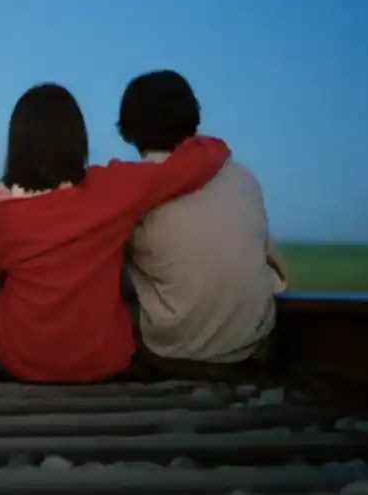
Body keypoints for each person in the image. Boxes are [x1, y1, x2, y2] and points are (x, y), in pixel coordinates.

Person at [0, 83, 231, 383]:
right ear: (78, 140)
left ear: (16, 145)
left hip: (23, 361)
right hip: (102, 360)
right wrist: (212, 145)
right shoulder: (112, 189)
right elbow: (187, 168)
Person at [118, 70, 288, 375]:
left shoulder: (131, 188)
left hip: (173, 352)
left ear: (128, 127)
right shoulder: (241, 176)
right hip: (252, 345)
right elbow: (270, 265)